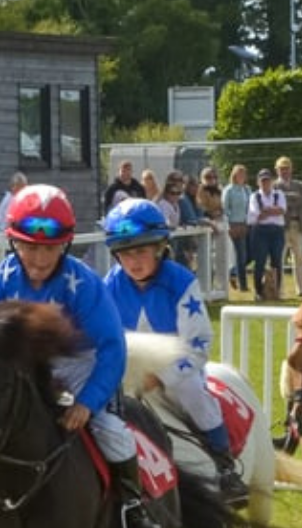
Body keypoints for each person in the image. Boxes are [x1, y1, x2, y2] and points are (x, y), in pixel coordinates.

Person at [0, 184, 165, 528]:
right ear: (13, 242)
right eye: (29, 246)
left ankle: (134, 511)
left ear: (64, 244)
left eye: (49, 248)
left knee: (111, 430)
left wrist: (87, 403)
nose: (39, 259)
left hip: (85, 367)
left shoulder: (84, 284)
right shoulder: (2, 278)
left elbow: (112, 348)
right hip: (31, 368)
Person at [102, 198, 247, 506]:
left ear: (159, 247)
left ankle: (225, 469)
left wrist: (161, 376)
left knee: (193, 391)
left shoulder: (181, 282)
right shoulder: (110, 285)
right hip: (126, 373)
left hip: (177, 369)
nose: (134, 261)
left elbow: (198, 345)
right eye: (125, 253)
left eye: (141, 250)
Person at [274, 156, 302, 298]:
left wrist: (288, 198)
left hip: (298, 224)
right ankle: (280, 290)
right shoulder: (274, 186)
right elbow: (277, 202)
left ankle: (301, 288)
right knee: (279, 258)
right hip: (282, 226)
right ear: (277, 170)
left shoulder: (300, 184)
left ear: (291, 169)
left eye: (287, 168)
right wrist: (292, 197)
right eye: (282, 169)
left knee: (299, 258)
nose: (285, 171)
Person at [247, 168, 286, 300]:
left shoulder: (279, 194)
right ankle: (258, 292)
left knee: (277, 261)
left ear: (272, 181)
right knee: (260, 261)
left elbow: (282, 210)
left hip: (276, 231)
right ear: (258, 182)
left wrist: (266, 211)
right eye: (263, 181)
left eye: (267, 180)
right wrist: (272, 211)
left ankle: (276, 290)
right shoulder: (254, 196)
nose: (265, 183)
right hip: (260, 231)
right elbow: (256, 214)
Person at [223, 164, 252, 292]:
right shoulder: (229, 190)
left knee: (247, 255)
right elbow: (225, 208)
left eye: (243, 174)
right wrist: (229, 224)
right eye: (239, 174)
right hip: (234, 225)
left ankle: (233, 272)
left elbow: (251, 207)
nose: (241, 176)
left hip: (245, 225)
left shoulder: (247, 189)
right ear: (234, 175)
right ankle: (243, 285)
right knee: (241, 254)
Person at [0, 172, 29, 236]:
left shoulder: (21, 199)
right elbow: (9, 222)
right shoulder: (9, 201)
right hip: (8, 235)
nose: (23, 190)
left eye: (24, 187)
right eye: (20, 187)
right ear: (13, 187)